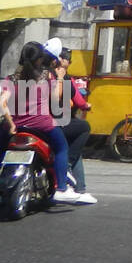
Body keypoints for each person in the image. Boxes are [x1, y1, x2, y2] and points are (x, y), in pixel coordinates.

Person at [0, 41, 95, 205]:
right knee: (62, 148)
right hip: (42, 125)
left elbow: (1, 104)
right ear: (40, 60)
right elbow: (55, 102)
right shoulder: (45, 77)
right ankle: (61, 188)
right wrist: (59, 79)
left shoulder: (11, 79)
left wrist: (11, 124)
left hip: (15, 127)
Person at [47, 42, 94, 196]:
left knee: (74, 148)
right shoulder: (64, 78)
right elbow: (79, 101)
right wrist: (86, 105)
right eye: (65, 58)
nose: (66, 61)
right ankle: (72, 178)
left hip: (38, 122)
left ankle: (79, 188)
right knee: (83, 128)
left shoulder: (40, 75)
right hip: (56, 123)